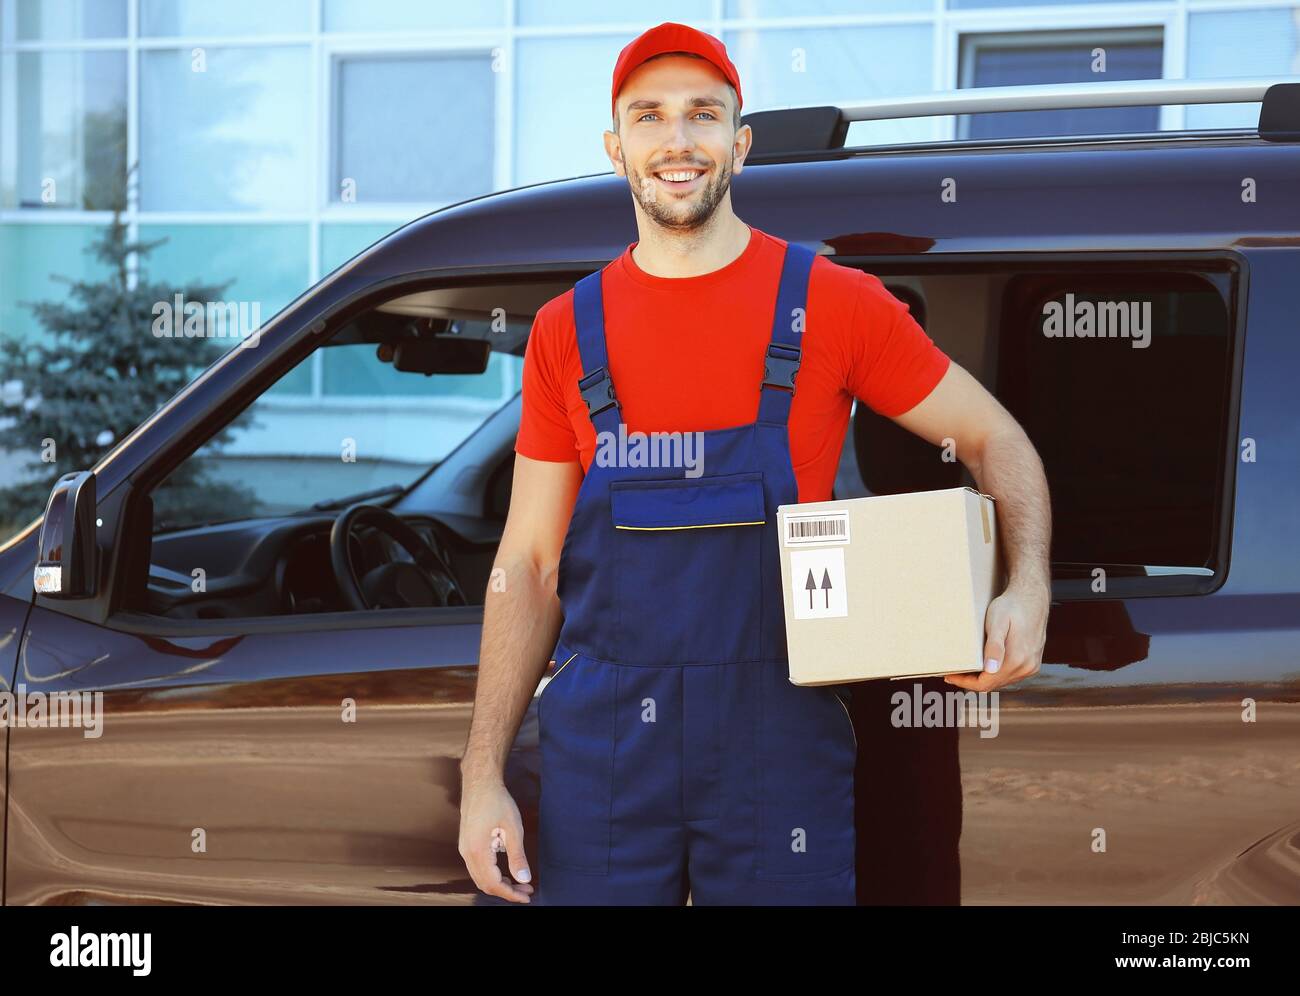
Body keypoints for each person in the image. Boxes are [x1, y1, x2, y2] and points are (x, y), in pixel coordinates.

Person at [459, 21, 1051, 905]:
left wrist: (1027, 582)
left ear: (739, 143)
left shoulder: (834, 305)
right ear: (616, 146)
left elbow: (993, 437)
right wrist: (482, 773)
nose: (677, 141)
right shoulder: (564, 332)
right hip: (607, 756)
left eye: (703, 115)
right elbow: (529, 565)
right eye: (650, 116)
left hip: (778, 745)